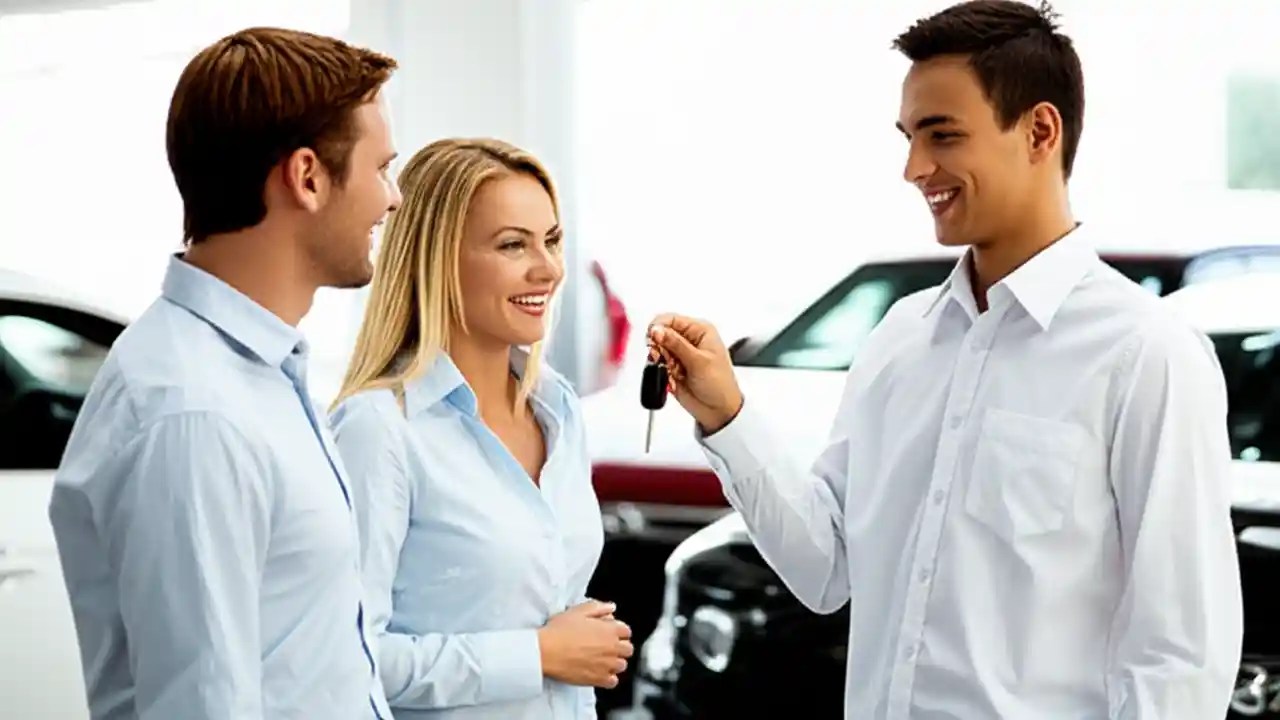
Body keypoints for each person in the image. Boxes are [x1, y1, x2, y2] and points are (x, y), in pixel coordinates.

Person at [646, 2, 1243, 718]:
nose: (913, 168)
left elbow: (1180, 655)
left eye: (943, 135)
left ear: (1040, 131)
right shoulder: (902, 339)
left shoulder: (1147, 353)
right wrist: (726, 415)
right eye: (908, 137)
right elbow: (825, 569)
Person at [47, 27, 402, 719]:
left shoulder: (256, 375)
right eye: (381, 169)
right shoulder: (192, 412)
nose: (391, 199)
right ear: (307, 177)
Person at [329, 137, 631, 720]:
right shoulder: (379, 429)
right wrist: (537, 654)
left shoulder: (558, 410)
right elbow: (346, 661)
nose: (546, 268)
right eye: (512, 244)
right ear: (438, 259)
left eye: (551, 240)